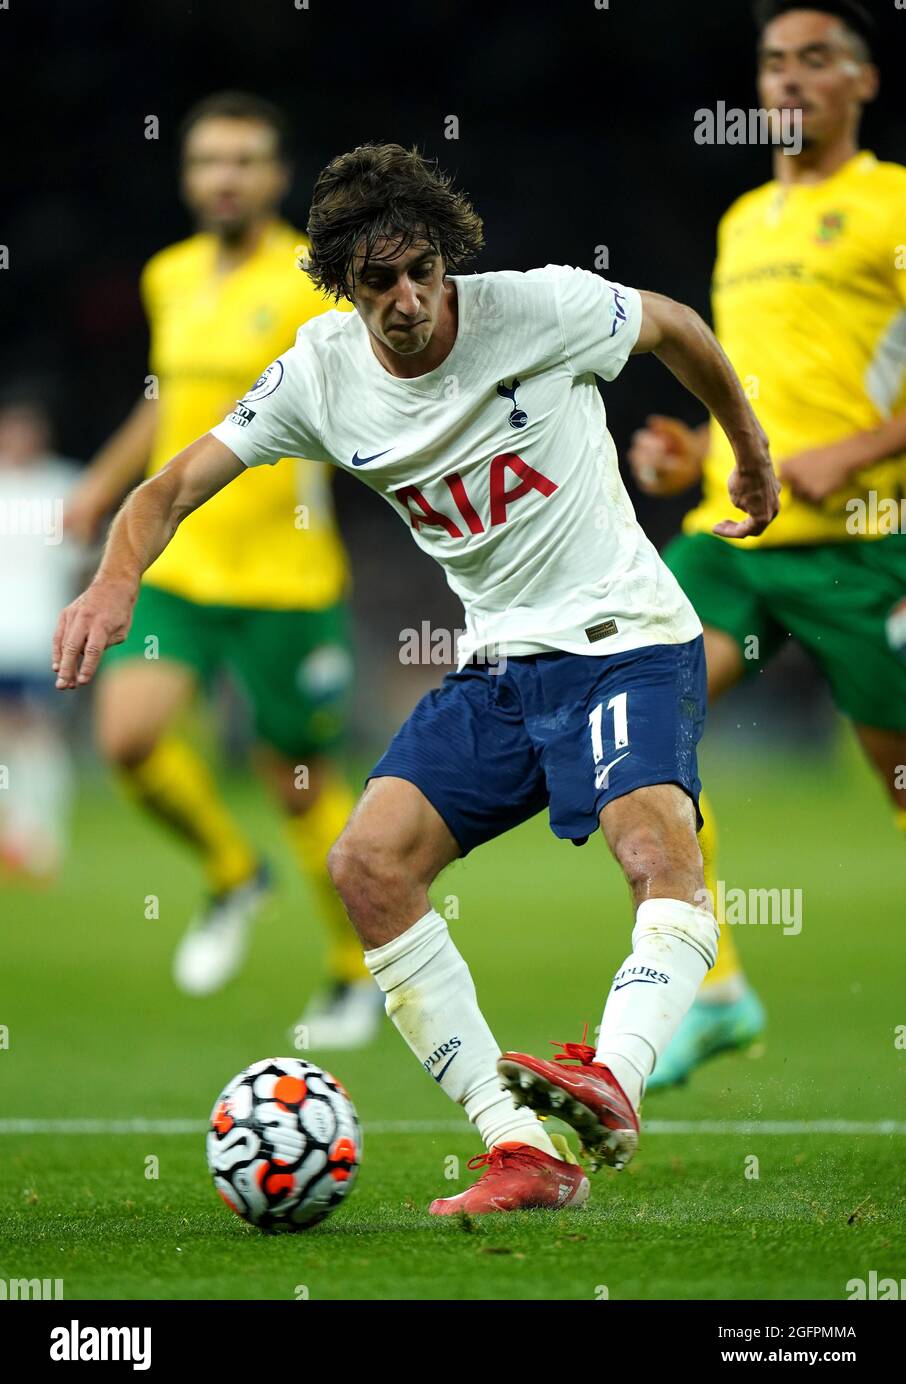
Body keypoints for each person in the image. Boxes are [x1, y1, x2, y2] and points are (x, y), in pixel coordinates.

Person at [53, 141, 779, 1214]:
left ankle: (617, 1077)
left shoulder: (540, 308)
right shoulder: (319, 374)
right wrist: (115, 584)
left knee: (652, 846)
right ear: (341, 285)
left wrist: (749, 454)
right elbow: (168, 487)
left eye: (422, 271)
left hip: (626, 636)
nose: (407, 300)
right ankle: (522, 1150)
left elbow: (675, 325)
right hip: (500, 670)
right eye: (377, 280)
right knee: (367, 864)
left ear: (449, 259)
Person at [65, 92, 381, 1046]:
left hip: (287, 577)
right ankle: (233, 872)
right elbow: (169, 403)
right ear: (188, 176)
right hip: (182, 563)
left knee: (296, 782)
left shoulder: (314, 280)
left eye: (244, 160)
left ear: (277, 175)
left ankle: (354, 971)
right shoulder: (168, 276)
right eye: (208, 160)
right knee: (127, 737)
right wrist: (106, 481)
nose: (225, 177)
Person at [629, 0, 906, 1088]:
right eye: (775, 62)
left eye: (816, 60)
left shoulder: (891, 204)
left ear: (862, 81)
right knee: (635, 708)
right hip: (735, 540)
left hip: (863, 548)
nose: (789, 79)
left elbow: (840, 416)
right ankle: (715, 990)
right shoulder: (744, 221)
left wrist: (860, 450)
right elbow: (767, 402)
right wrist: (695, 454)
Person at [0, 390, 80, 879]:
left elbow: (83, 559)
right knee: (7, 736)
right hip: (3, 636)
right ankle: (15, 834)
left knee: (39, 734)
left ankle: (43, 834)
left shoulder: (65, 484)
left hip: (41, 632)